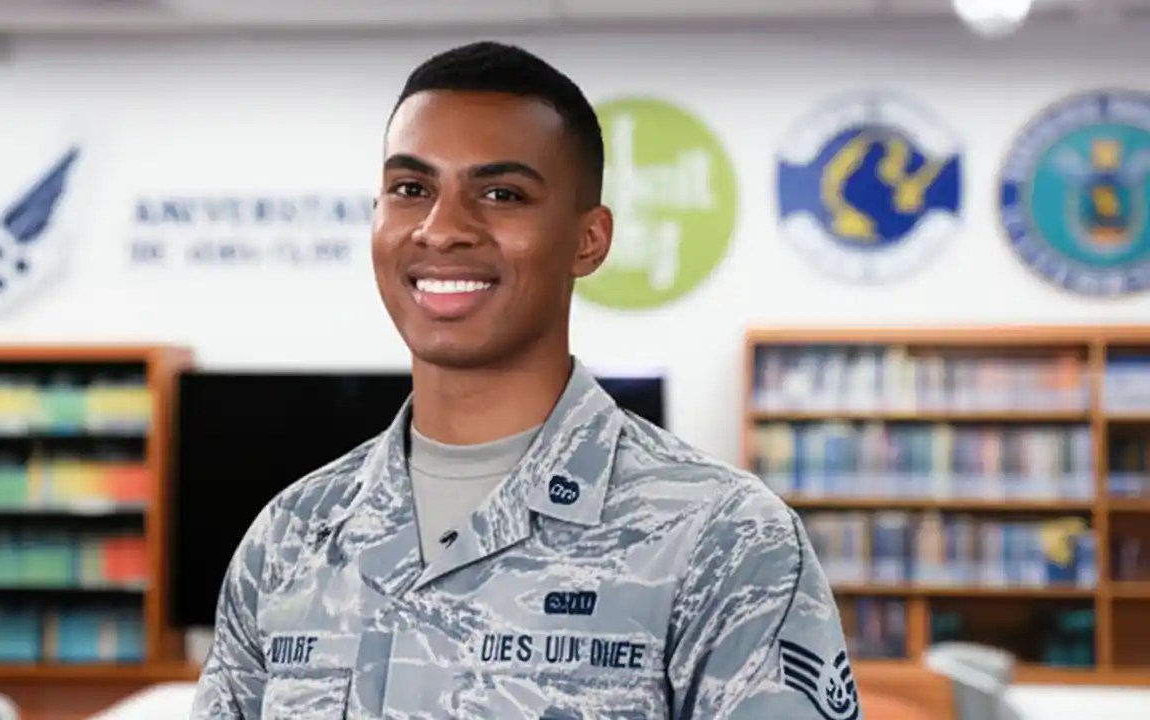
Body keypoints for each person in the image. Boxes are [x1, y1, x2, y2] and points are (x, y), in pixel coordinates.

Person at [191, 40, 859, 720]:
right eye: (410, 189)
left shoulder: (724, 538)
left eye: (501, 194)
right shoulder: (290, 538)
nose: (441, 228)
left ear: (588, 241)